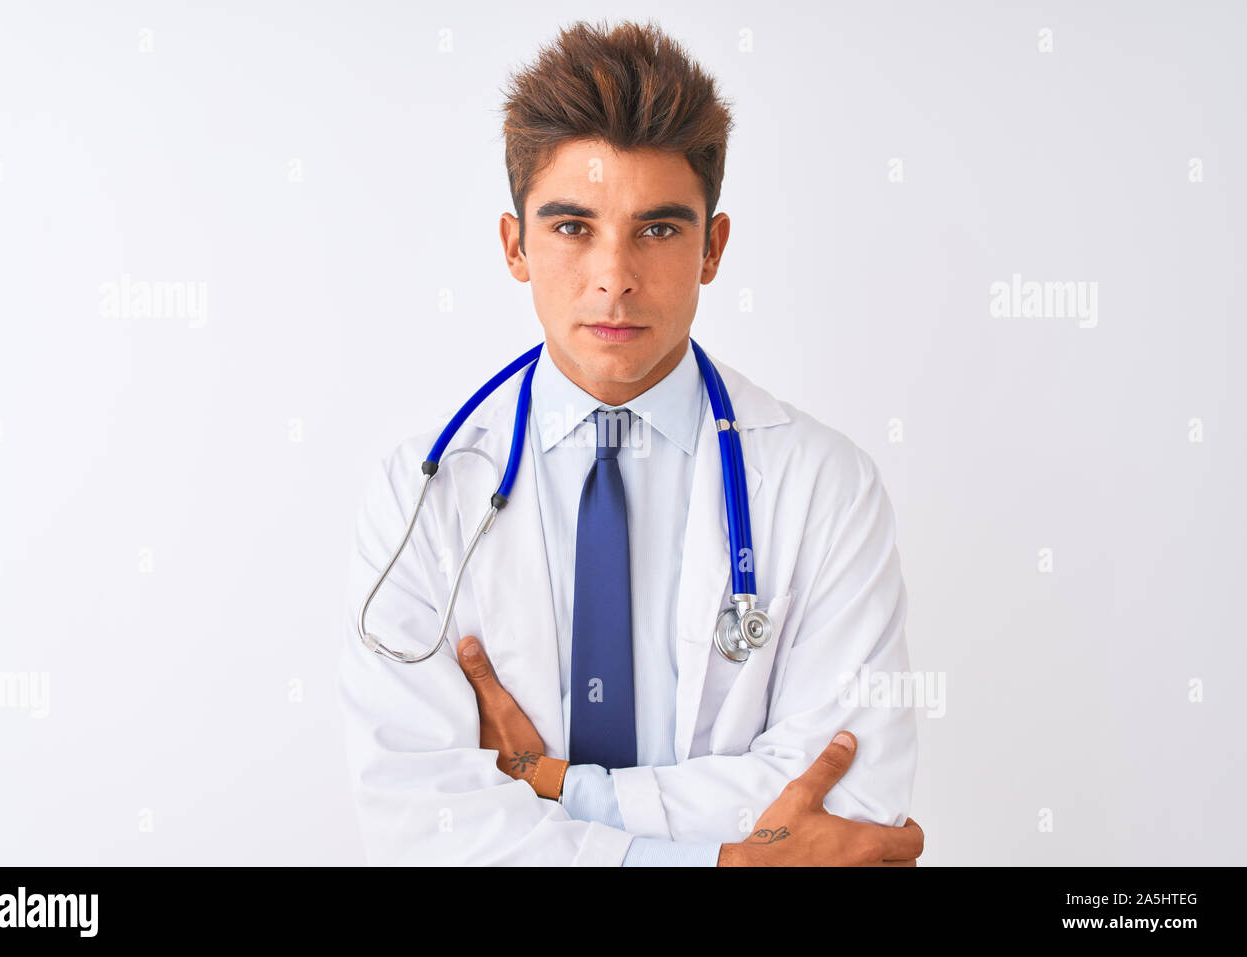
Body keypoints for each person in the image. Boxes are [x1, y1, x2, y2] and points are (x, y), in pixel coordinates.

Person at [336, 18, 924, 866]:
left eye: (658, 229)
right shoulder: (419, 493)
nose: (614, 275)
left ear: (713, 248)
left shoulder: (825, 486)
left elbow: (848, 808)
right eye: (573, 227)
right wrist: (721, 860)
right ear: (515, 247)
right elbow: (419, 820)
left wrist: (554, 785)